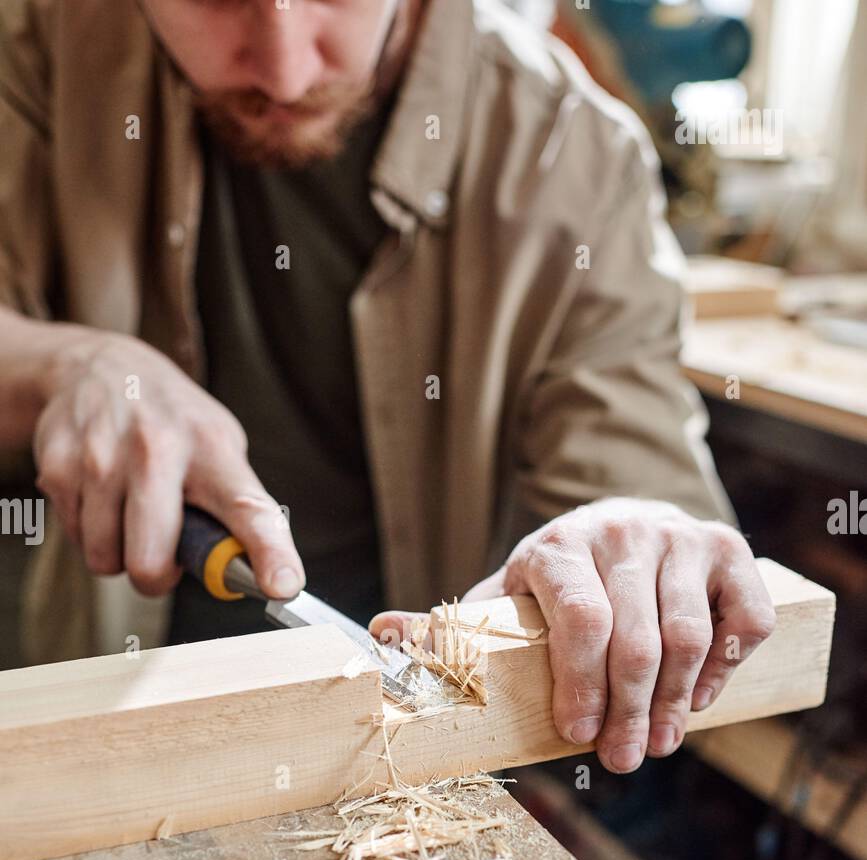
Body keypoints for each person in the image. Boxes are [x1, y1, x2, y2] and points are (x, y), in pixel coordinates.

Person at [0, 0, 774, 775]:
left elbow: (633, 482)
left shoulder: (573, 153)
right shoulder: (39, 43)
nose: (285, 69)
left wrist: (624, 531)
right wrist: (63, 365)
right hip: (107, 704)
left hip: (405, 752)